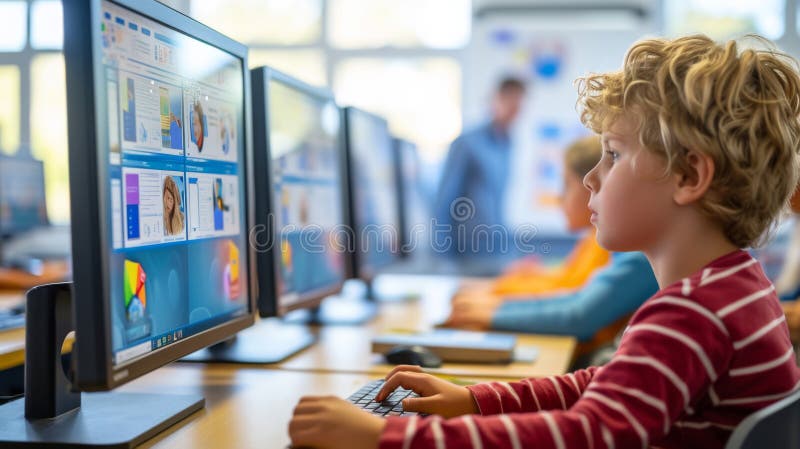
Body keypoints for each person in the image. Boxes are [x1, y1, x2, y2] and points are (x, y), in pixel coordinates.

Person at [288, 35, 800, 449]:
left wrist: (385, 436)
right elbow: (604, 384)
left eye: (614, 155)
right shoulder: (739, 286)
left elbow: (586, 434)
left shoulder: (689, 314)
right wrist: (475, 400)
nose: (591, 179)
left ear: (689, 176)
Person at [433, 76, 526, 257]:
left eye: (518, 106)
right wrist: (441, 258)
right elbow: (443, 203)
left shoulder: (507, 145)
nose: (514, 112)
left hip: (496, 248)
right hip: (467, 251)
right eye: (510, 103)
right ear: (496, 99)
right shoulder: (467, 143)